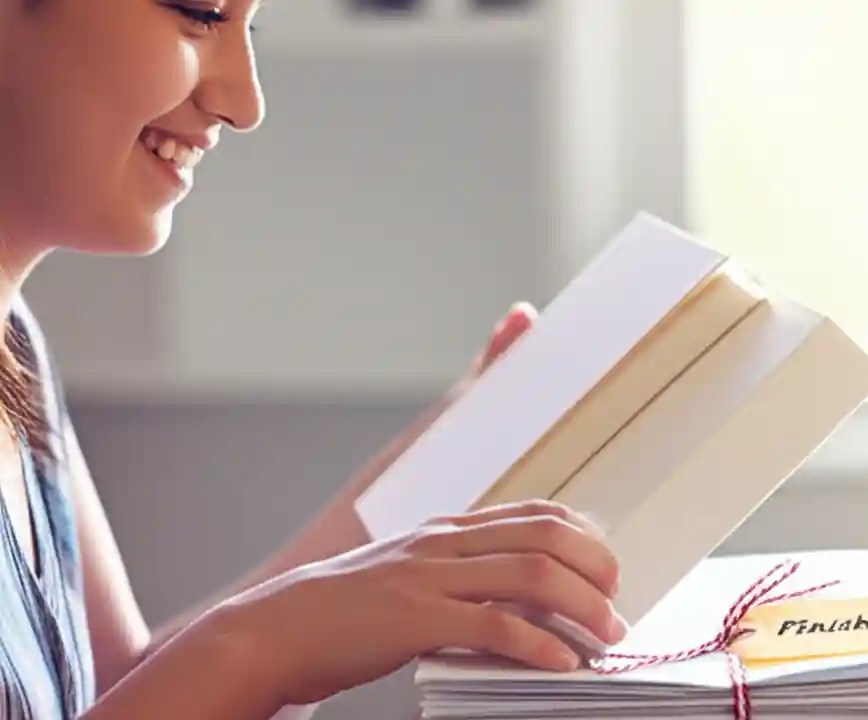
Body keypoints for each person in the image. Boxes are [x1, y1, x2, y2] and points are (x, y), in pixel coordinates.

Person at [0, 1, 629, 718]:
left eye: (249, 28)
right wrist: (264, 646)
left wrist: (441, 467)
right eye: (201, 13)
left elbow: (117, 695)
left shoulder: (17, 349)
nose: (245, 104)